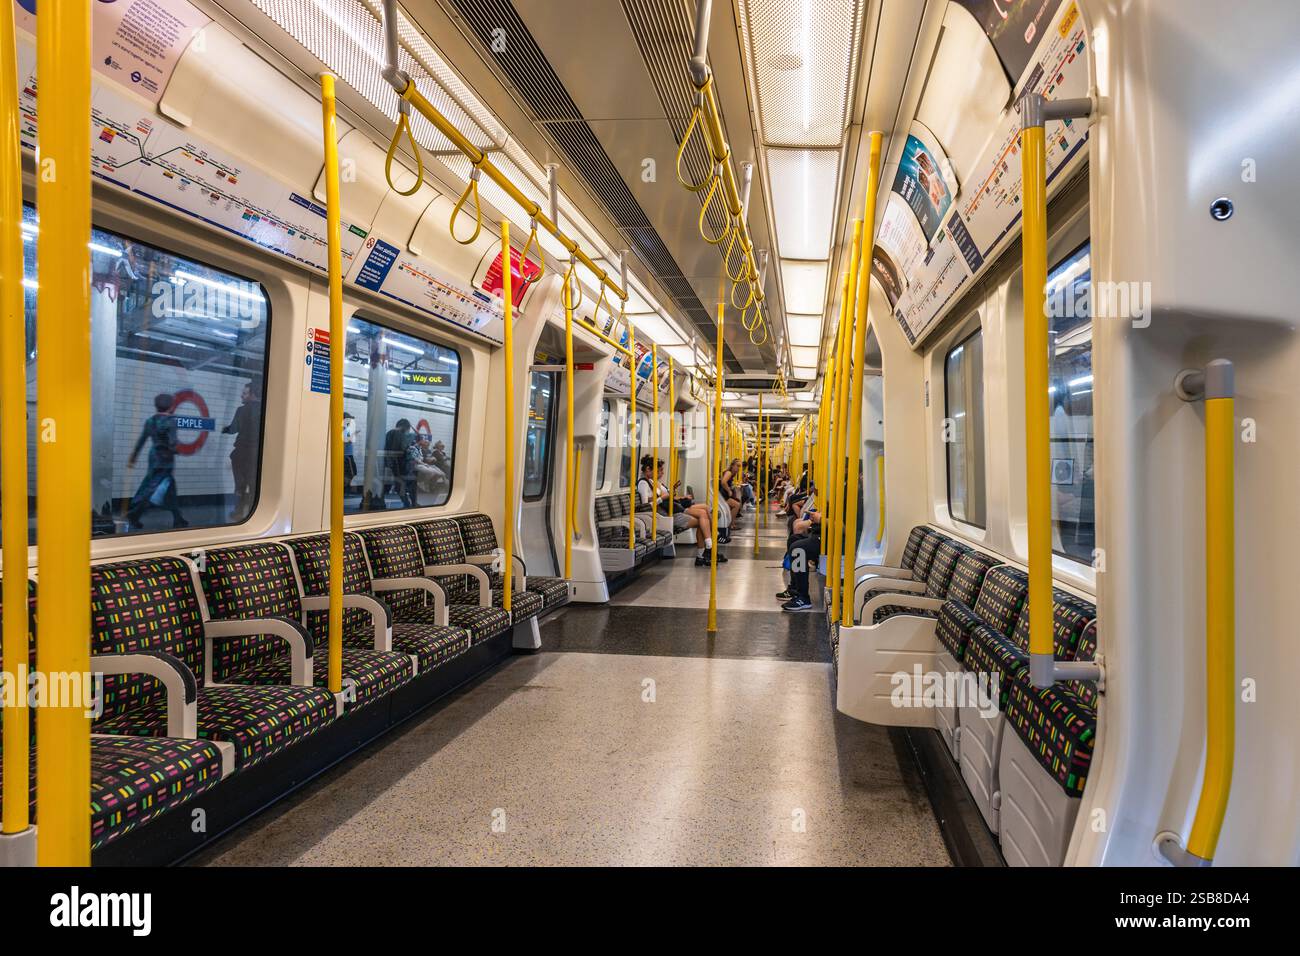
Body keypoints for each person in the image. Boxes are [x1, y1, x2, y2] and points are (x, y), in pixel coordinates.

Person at [636, 455, 724, 566]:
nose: (661, 473)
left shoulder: (653, 482)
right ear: (648, 469)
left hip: (671, 511)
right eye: (658, 470)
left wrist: (672, 496)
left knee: (704, 516)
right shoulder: (644, 483)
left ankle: (706, 551)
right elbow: (645, 505)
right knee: (703, 518)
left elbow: (662, 497)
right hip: (663, 516)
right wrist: (663, 498)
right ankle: (707, 549)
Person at [126, 393, 187, 530]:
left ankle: (178, 519)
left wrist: (133, 456)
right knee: (151, 488)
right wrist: (178, 451)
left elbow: (142, 440)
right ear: (171, 406)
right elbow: (172, 443)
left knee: (169, 488)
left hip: (154, 456)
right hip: (165, 459)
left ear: (156, 406)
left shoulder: (150, 421)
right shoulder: (171, 421)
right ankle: (134, 514)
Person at [222, 381, 261, 522]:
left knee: (240, 485)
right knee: (253, 484)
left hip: (241, 454)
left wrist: (222, 429)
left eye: (244, 393)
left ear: (252, 394)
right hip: (257, 454)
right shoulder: (266, 410)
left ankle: (239, 513)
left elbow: (233, 429)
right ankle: (253, 514)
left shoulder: (242, 410)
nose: (241, 395)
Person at [779, 499, 821, 612]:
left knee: (798, 549)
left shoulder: (848, 495)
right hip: (820, 532)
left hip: (832, 539)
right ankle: (795, 587)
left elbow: (846, 527)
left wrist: (821, 519)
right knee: (793, 539)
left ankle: (803, 598)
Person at [383, 419, 415, 507]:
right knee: (407, 485)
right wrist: (409, 449)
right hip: (403, 463)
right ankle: (412, 504)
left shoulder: (389, 433)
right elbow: (403, 448)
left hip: (393, 463)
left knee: (399, 485)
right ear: (406, 427)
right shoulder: (402, 434)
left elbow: (387, 448)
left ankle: (407, 503)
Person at [718, 457, 743, 539]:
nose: (738, 468)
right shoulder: (729, 473)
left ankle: (730, 523)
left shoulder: (730, 473)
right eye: (737, 466)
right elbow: (723, 482)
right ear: (732, 465)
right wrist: (729, 490)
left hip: (724, 495)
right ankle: (731, 524)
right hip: (723, 495)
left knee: (737, 502)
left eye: (739, 466)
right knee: (736, 505)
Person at [342, 411, 358, 494]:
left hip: (346, 455)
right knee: (352, 474)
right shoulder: (346, 430)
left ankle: (349, 490)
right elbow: (346, 442)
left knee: (350, 474)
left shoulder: (345, 429)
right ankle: (352, 491)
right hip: (347, 456)